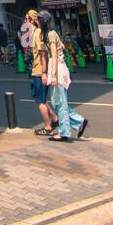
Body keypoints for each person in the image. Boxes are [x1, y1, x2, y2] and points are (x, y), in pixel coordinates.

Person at [42, 11, 87, 142]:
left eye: (39, 20)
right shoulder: (50, 33)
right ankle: (79, 122)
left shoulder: (50, 34)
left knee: (59, 103)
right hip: (57, 68)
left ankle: (64, 132)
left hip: (58, 70)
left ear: (43, 21)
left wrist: (54, 75)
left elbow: (54, 55)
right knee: (58, 102)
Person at [28, 8, 57, 136]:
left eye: (26, 18)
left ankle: (47, 126)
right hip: (38, 70)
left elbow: (43, 53)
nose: (25, 21)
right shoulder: (37, 31)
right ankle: (55, 118)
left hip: (40, 71)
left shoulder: (39, 32)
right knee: (42, 99)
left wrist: (44, 72)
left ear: (33, 20)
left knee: (40, 100)